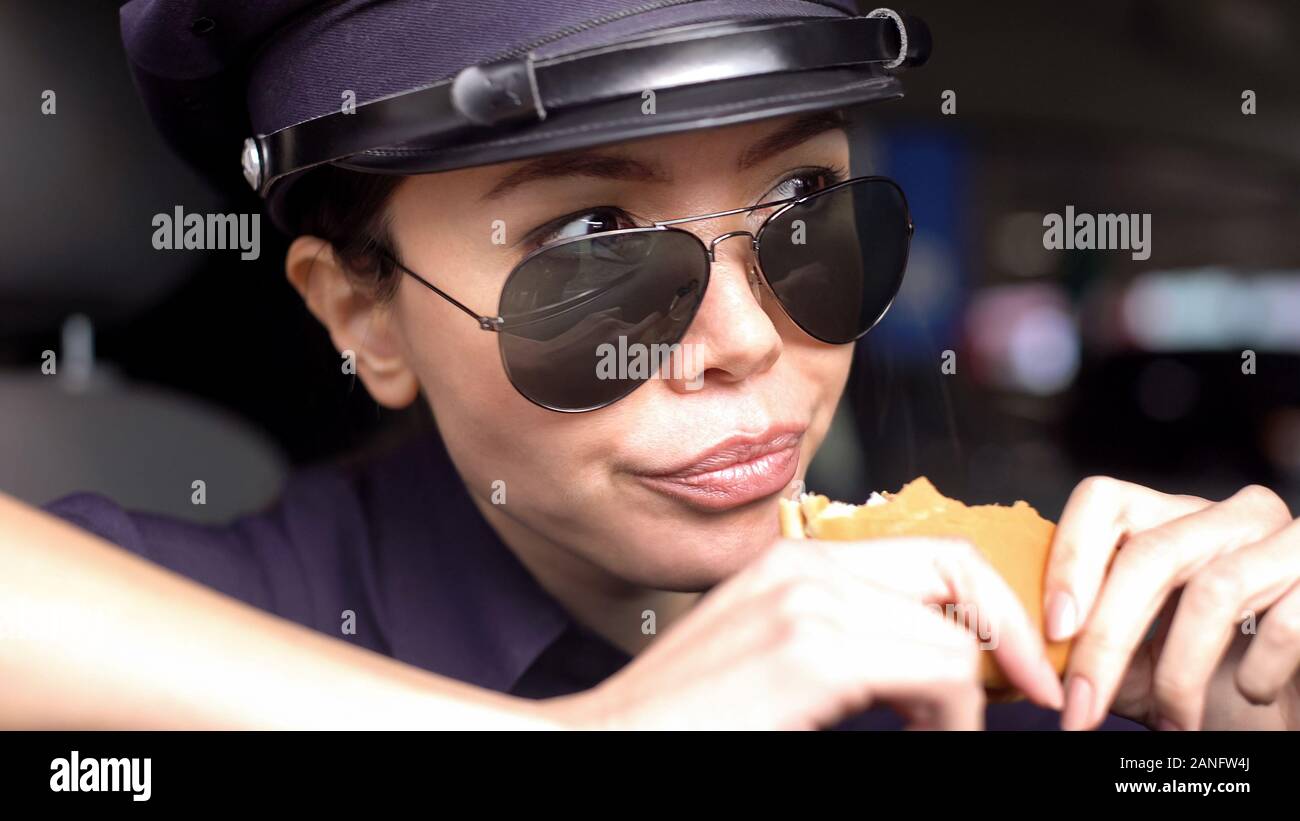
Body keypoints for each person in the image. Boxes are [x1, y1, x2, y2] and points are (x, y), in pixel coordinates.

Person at [3, 0, 1298, 731]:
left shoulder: (993, 650)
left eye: (805, 207)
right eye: (590, 242)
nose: (741, 339)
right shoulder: (200, 632)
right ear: (363, 317)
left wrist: (1232, 717)